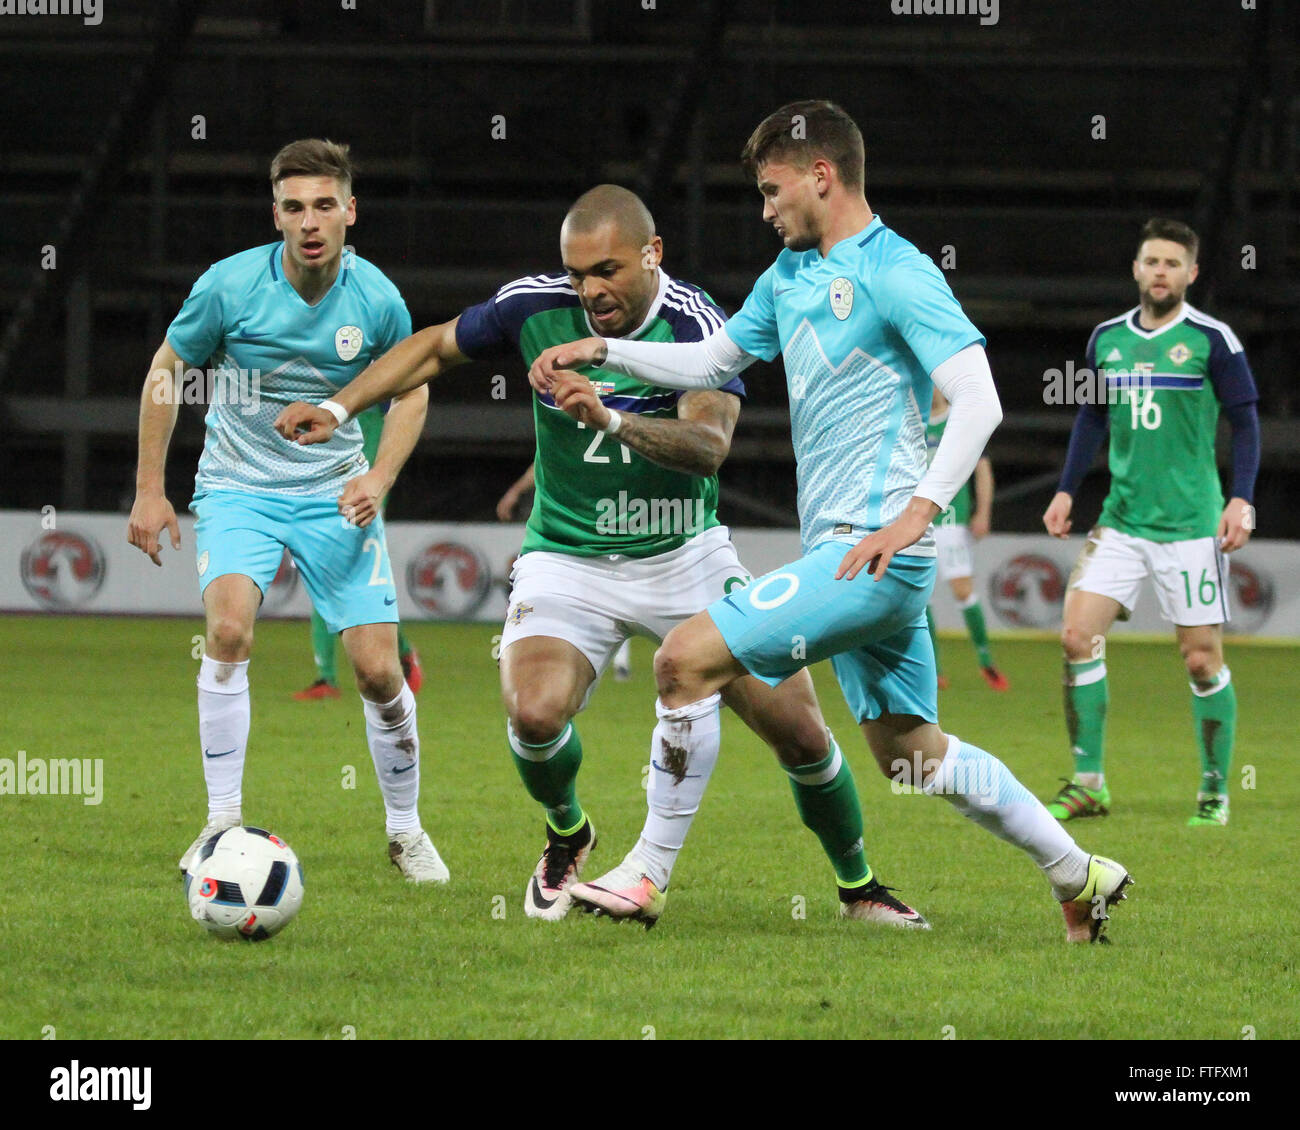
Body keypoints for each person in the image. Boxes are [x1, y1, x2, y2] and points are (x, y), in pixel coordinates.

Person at [531, 101, 1133, 942]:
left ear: (823, 175)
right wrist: (604, 351)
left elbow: (980, 399)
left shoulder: (898, 270)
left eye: (774, 191)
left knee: (683, 659)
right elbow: (712, 360)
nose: (765, 209)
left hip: (881, 551)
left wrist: (916, 516)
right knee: (909, 752)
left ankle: (645, 874)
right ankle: (1082, 874)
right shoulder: (789, 278)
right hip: (849, 553)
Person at [277, 183, 918, 929]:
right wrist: (336, 408)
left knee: (801, 732)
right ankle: (567, 831)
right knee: (534, 714)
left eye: (608, 270)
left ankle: (858, 885)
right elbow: (432, 346)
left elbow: (709, 447)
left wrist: (609, 417)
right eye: (578, 273)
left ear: (653, 255)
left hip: (685, 555)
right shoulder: (532, 306)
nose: (590, 290)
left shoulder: (698, 322)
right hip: (569, 555)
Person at [126, 139, 448, 883]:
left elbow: (414, 386)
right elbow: (167, 370)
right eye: (295, 206)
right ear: (276, 214)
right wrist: (150, 486)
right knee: (230, 629)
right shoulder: (229, 286)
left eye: (325, 205)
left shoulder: (376, 298)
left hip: (334, 493)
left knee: (375, 672)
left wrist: (382, 476)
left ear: (350, 212)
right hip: (238, 486)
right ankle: (220, 824)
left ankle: (406, 832)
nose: (311, 221)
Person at [1042, 218, 1260, 827]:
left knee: (1200, 661)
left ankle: (1215, 790)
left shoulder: (1213, 340)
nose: (1160, 271)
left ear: (1190, 274)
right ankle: (1089, 784)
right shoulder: (1107, 340)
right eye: (1150, 261)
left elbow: (1245, 423)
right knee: (1075, 638)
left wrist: (1240, 499)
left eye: (1172, 263)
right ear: (1136, 269)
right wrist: (1066, 491)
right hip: (1122, 521)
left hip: (1191, 525)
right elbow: (1091, 417)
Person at [294, 401, 424, 700]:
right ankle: (328, 678)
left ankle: (397, 655)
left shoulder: (379, 371)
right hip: (330, 470)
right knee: (325, 572)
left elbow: (411, 400)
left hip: (368, 476)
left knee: (338, 573)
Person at [496, 462, 632, 680]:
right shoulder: (565, 447)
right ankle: (525, 644)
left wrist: (514, 492)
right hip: (568, 530)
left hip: (602, 524)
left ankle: (614, 661)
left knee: (613, 593)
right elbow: (542, 460)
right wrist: (515, 492)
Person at [924, 388, 1007, 691]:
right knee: (921, 597)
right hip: (918, 523)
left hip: (951, 522)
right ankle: (933, 670)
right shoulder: (913, 421)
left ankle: (986, 662)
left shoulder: (959, 420)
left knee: (962, 589)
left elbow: (982, 469)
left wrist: (983, 511)